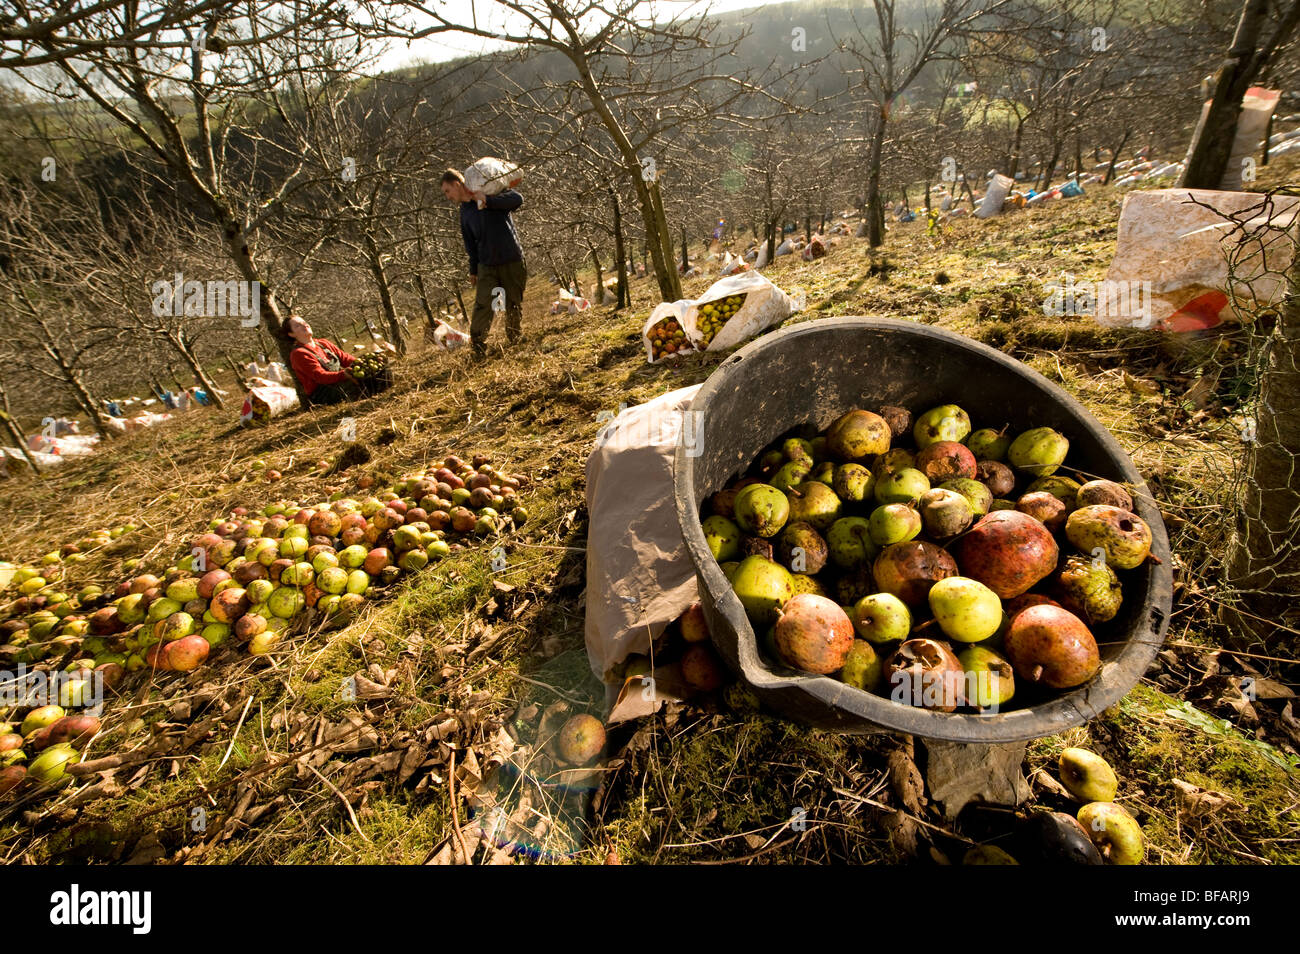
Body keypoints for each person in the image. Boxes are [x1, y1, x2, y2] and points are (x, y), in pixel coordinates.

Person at [440, 168, 527, 358]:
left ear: (457, 184)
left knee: (513, 302)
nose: (447, 196)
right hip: (486, 265)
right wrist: (473, 269)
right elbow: (470, 243)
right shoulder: (465, 213)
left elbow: (517, 199)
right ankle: (478, 349)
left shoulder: (488, 192)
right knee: (483, 305)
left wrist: (488, 200)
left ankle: (514, 342)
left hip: (511, 258)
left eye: (447, 191)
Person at [286, 315, 358, 405]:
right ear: (291, 334)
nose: (304, 325)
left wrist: (361, 363)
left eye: (304, 322)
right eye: (297, 325)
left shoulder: (323, 343)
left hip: (338, 381)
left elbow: (345, 359)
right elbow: (320, 376)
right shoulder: (298, 354)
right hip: (323, 393)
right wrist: (343, 374)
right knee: (361, 384)